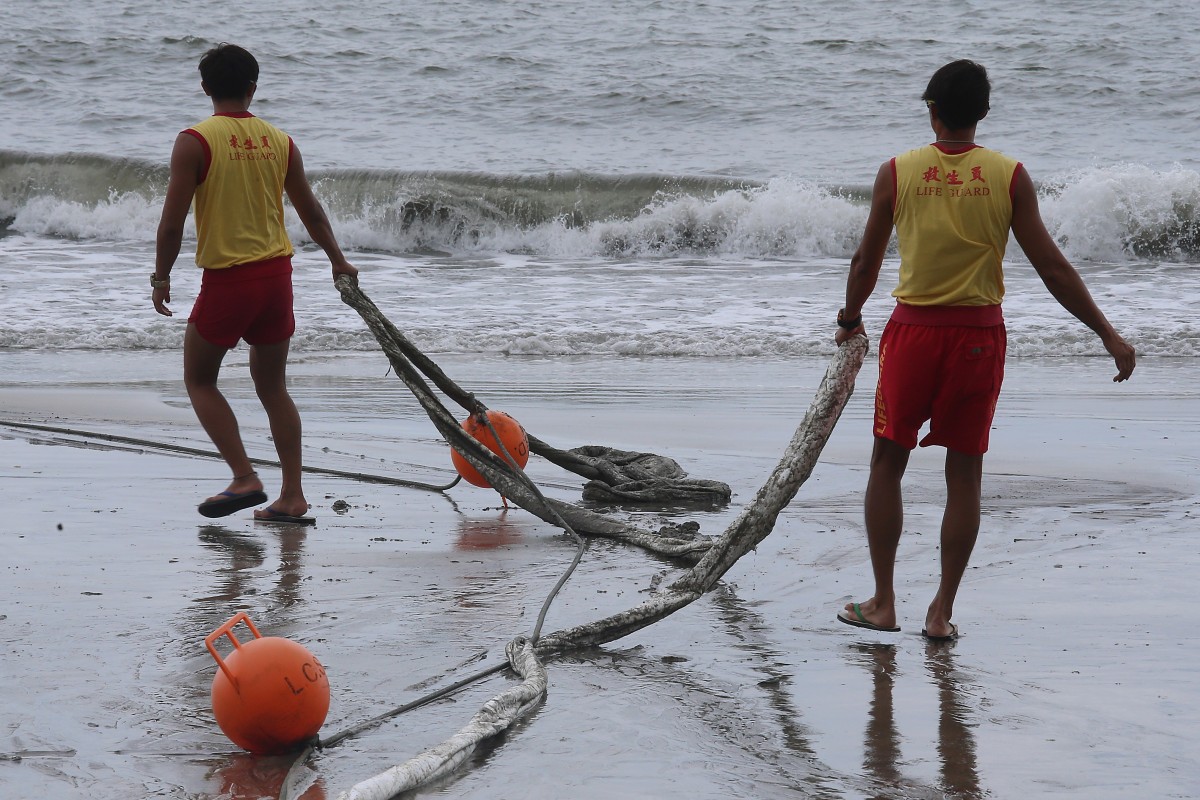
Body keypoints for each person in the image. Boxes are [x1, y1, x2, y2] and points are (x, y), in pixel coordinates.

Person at [833, 60, 1135, 640]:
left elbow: (865, 262)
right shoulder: (1008, 175)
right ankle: (941, 612)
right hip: (978, 338)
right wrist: (1108, 334)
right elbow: (1052, 267)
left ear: (931, 110)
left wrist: (849, 319)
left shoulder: (897, 172)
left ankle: (883, 603)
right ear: (983, 114)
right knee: (965, 475)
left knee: (887, 462)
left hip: (913, 334)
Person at [152, 43, 357, 523]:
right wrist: (338, 261)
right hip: (276, 279)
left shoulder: (195, 141)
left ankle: (244, 476)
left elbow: (170, 224)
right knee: (273, 388)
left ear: (205, 88)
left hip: (229, 281)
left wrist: (161, 276)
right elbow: (310, 209)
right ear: (253, 88)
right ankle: (292, 496)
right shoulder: (280, 141)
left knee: (200, 379)